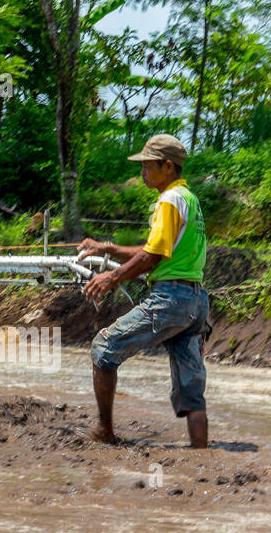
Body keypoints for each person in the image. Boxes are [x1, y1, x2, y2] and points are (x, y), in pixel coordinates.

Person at [78, 133, 211, 448]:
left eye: (147, 167)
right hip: (195, 303)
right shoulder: (188, 199)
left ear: (167, 166)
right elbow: (157, 248)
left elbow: (151, 257)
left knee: (103, 349)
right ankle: (202, 454)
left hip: (171, 299)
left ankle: (104, 432)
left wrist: (112, 277)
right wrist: (108, 247)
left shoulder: (169, 200)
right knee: (192, 391)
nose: (142, 173)